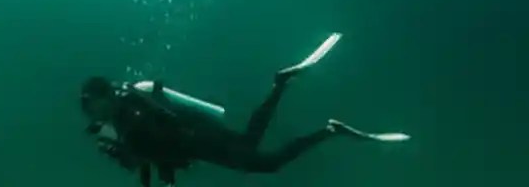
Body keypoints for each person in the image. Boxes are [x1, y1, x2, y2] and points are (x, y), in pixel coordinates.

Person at [80, 33, 409, 186]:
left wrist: (156, 173)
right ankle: (285, 89)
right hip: (198, 140)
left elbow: (153, 147)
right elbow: (153, 156)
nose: (92, 114)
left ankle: (324, 126)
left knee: (267, 163)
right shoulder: (123, 117)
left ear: (104, 95)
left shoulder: (127, 117)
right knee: (255, 146)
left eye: (92, 105)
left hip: (198, 139)